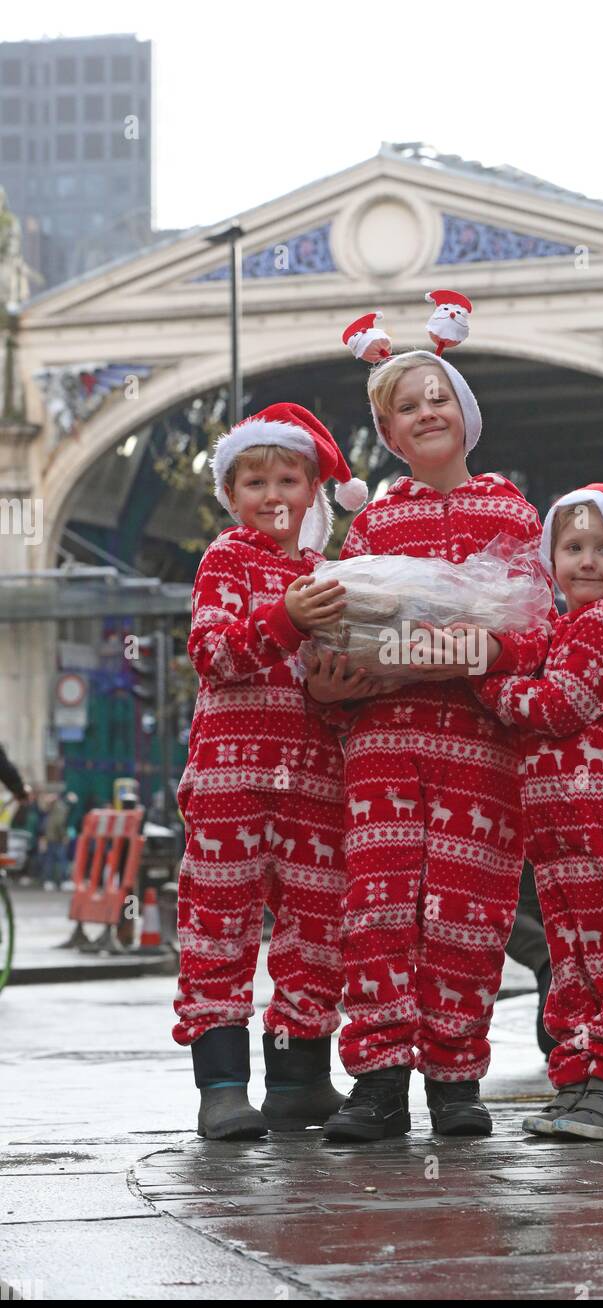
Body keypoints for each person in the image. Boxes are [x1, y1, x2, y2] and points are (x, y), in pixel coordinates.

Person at [308, 348, 558, 1142]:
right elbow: (337, 640)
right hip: (384, 742)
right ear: (388, 431)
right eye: (407, 406)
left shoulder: (513, 513)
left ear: (466, 413)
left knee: (469, 912)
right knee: (377, 905)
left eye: (438, 398)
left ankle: (456, 1078)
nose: (426, 412)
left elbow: (540, 631)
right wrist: (331, 684)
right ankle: (378, 1077)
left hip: (482, 748)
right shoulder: (373, 524)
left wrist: (489, 653)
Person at [174, 402, 377, 1140]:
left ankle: (298, 1080)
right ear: (231, 496)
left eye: (288, 479)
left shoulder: (331, 575)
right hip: (230, 777)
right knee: (219, 923)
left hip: (315, 781)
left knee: (316, 928)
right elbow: (212, 653)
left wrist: (342, 690)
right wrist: (285, 619)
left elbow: (342, 681)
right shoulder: (225, 559)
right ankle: (222, 1087)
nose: (273, 495)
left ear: (312, 491)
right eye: (253, 480)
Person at [474, 485, 603, 1140]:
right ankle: (580, 1081)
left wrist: (491, 685)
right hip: (567, 825)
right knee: (575, 951)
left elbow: (556, 706)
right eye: (572, 548)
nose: (587, 561)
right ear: (553, 558)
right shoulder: (578, 628)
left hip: (599, 821)